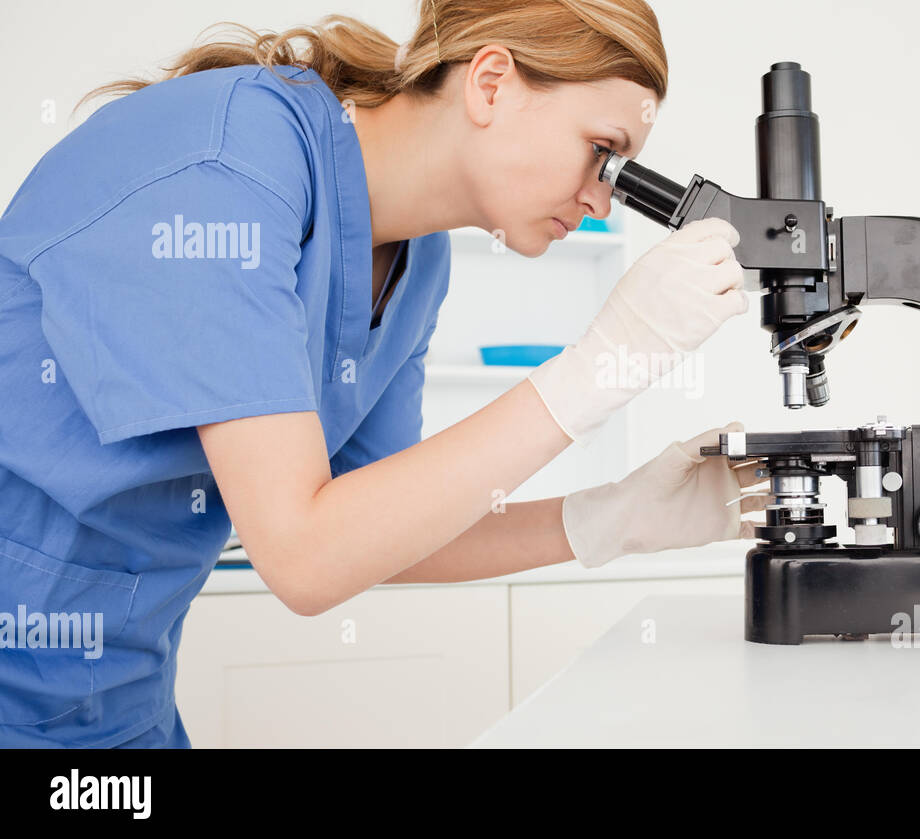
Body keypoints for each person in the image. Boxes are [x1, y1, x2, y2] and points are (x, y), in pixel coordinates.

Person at [0, 0, 770, 748]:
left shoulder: (416, 258)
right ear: (491, 81)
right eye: (602, 152)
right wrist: (602, 366)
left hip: (115, 703)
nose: (603, 201)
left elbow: (379, 530)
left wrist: (609, 518)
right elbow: (305, 556)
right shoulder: (230, 162)